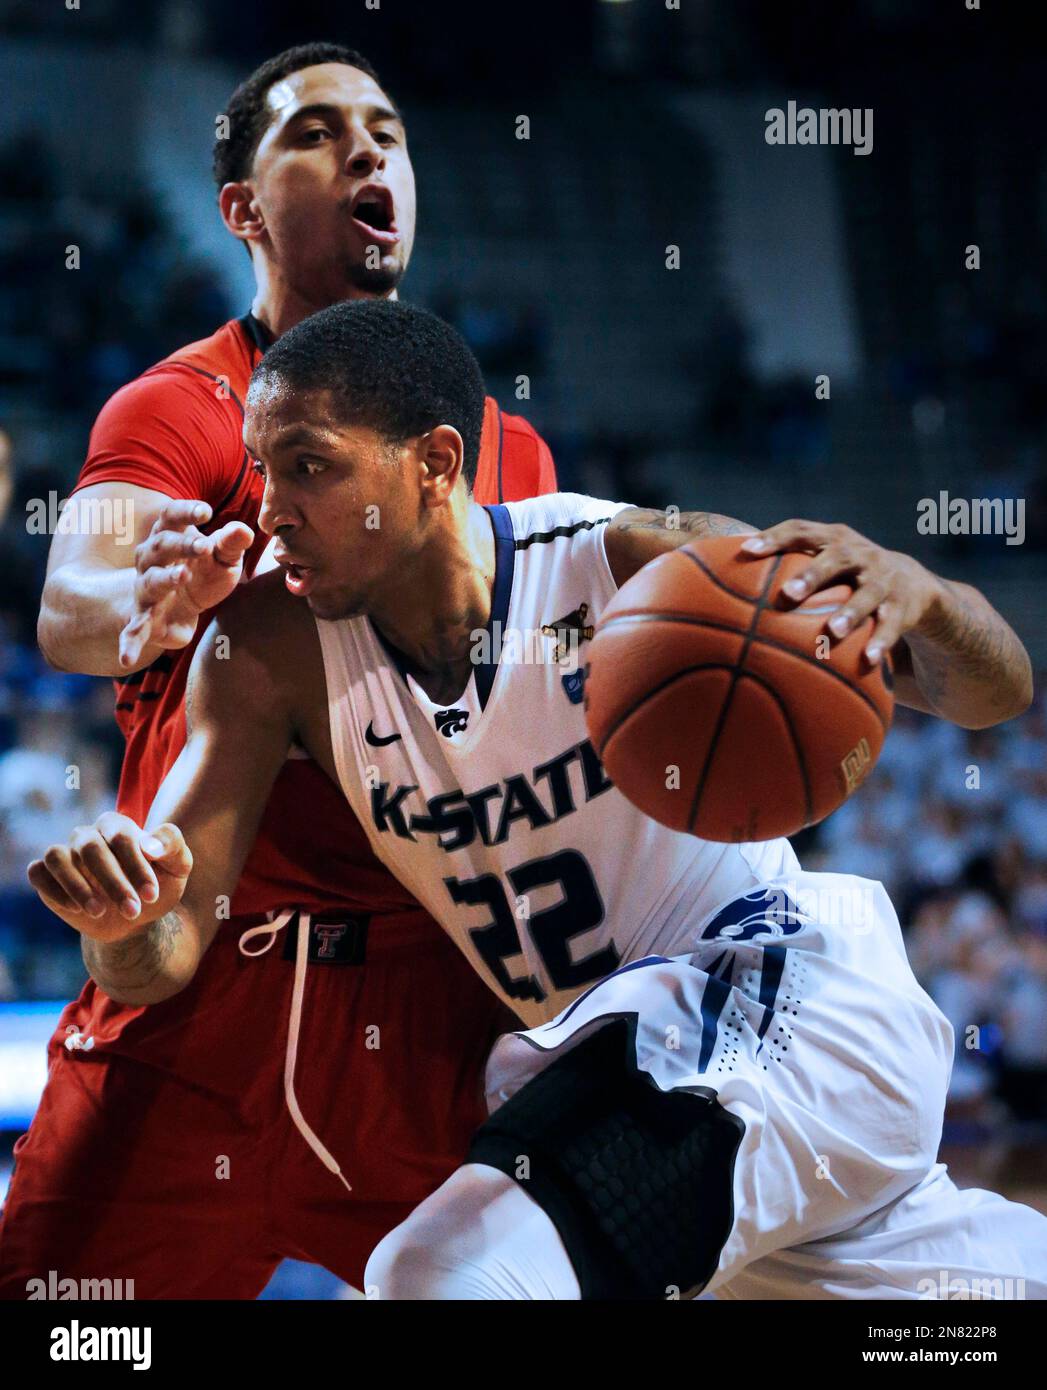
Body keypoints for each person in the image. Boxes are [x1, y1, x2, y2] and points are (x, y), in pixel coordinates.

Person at [29, 299, 1046, 1300]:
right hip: (625, 1074)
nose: (268, 508)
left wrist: (928, 596)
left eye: (309, 466)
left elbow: (990, 690)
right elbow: (165, 950)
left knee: (447, 1271)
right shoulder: (264, 652)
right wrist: (120, 923)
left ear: (432, 463)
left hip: (779, 1000)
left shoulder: (632, 560)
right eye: (261, 471)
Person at [0, 44, 555, 1301]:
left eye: (389, 132)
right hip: (189, 985)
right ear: (242, 210)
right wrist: (146, 602)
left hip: (433, 1018)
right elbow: (71, 606)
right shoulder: (184, 405)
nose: (368, 151)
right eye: (317, 133)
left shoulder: (507, 450)